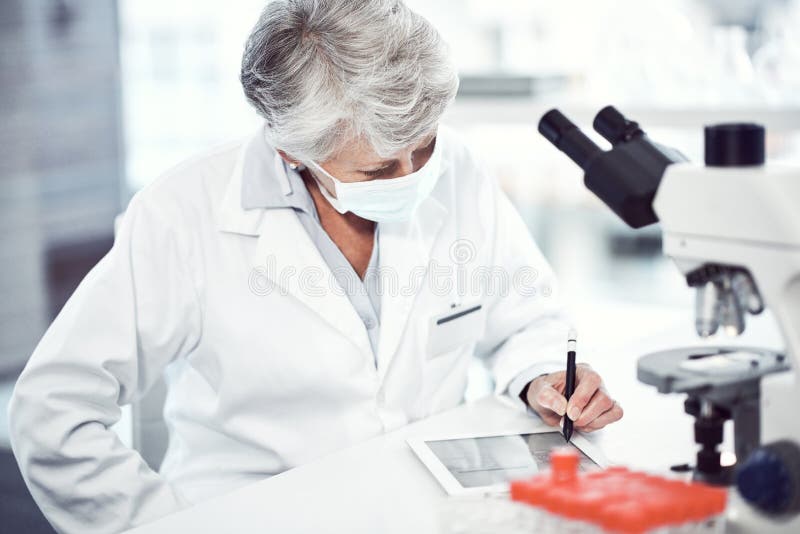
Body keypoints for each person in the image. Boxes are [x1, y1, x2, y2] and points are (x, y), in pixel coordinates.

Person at [8, 1, 622, 532]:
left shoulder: (455, 169)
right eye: (378, 169)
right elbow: (53, 412)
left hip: (434, 512)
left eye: (425, 145)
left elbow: (525, 318)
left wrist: (544, 376)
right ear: (291, 150)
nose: (414, 176)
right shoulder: (183, 213)